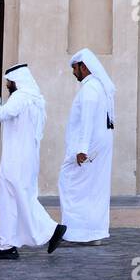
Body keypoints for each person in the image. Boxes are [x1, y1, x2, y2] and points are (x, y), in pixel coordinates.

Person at [0, 63, 66, 260]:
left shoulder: (21, 97)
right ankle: (7, 245)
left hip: (16, 158)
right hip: (27, 157)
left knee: (19, 197)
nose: (7, 86)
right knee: (15, 198)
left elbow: (1, 114)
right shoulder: (36, 99)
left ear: (16, 81)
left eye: (9, 82)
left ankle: (52, 230)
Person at [58, 49, 116, 246]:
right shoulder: (99, 87)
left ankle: (79, 233)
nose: (73, 72)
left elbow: (87, 121)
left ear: (83, 67)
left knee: (70, 183)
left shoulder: (90, 89)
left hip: (88, 148)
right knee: (92, 189)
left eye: (75, 68)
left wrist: (81, 149)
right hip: (97, 146)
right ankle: (92, 233)